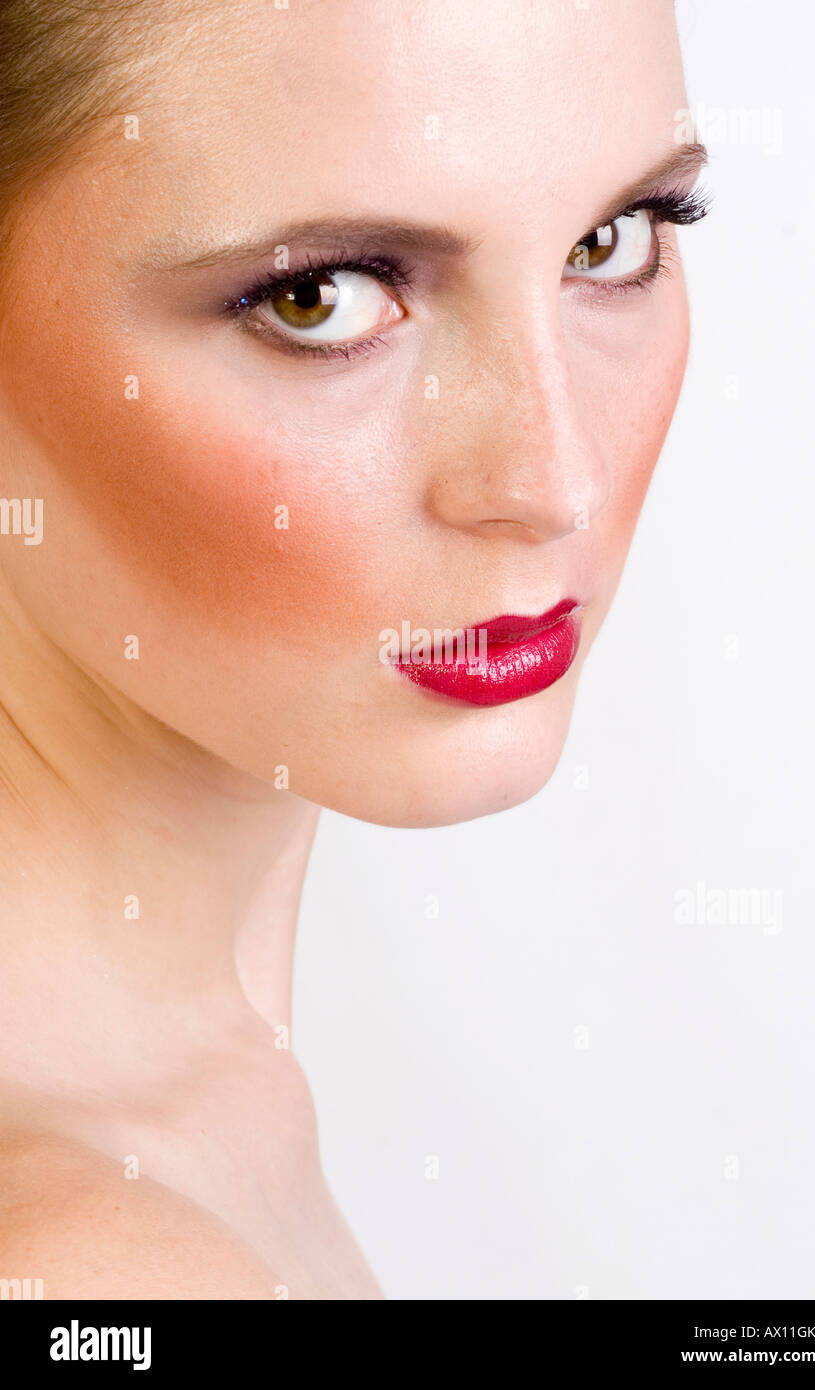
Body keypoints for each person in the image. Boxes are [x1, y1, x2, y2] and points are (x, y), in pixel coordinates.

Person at [0, 0, 708, 1298]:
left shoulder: (172, 1112)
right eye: (318, 298)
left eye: (610, 242)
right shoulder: (94, 1263)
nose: (557, 478)